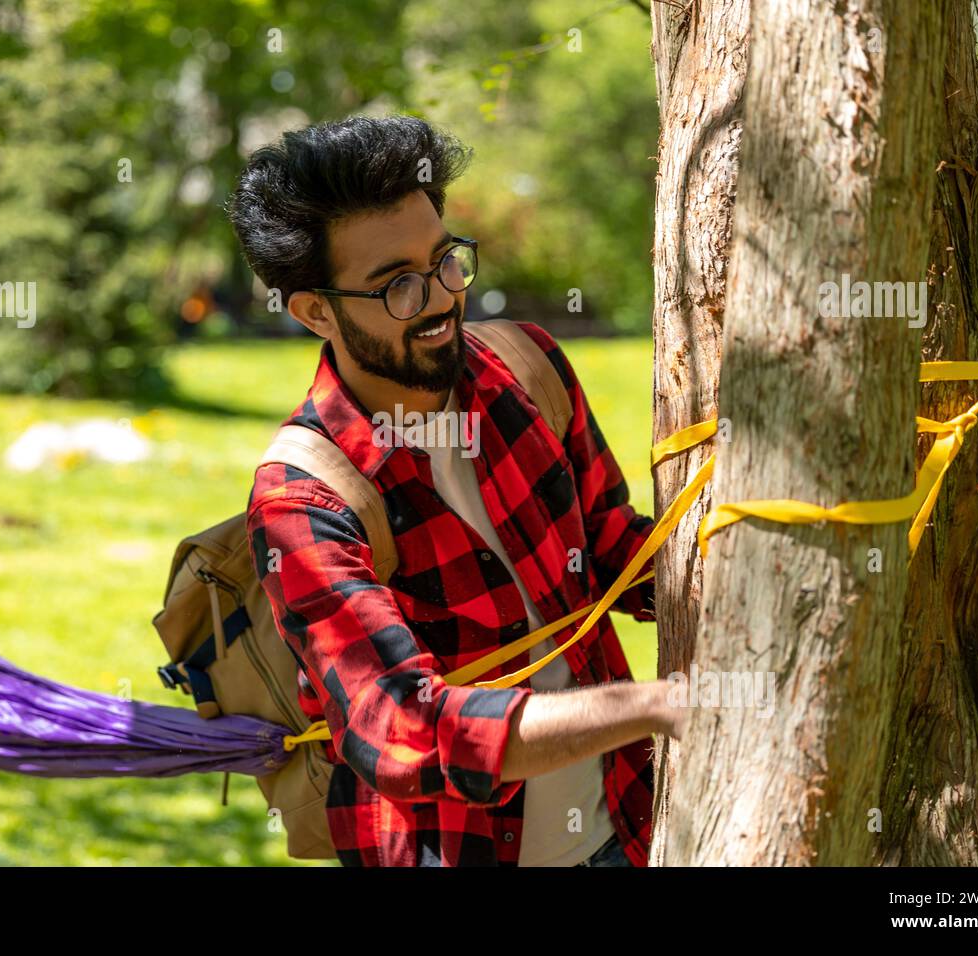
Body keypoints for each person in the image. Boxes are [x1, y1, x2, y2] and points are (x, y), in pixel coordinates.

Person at [228, 115, 687, 868]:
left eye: (445, 262)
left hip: (630, 830)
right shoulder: (301, 501)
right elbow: (402, 726)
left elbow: (612, 548)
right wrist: (657, 708)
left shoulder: (529, 367)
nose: (442, 299)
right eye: (397, 285)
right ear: (314, 310)